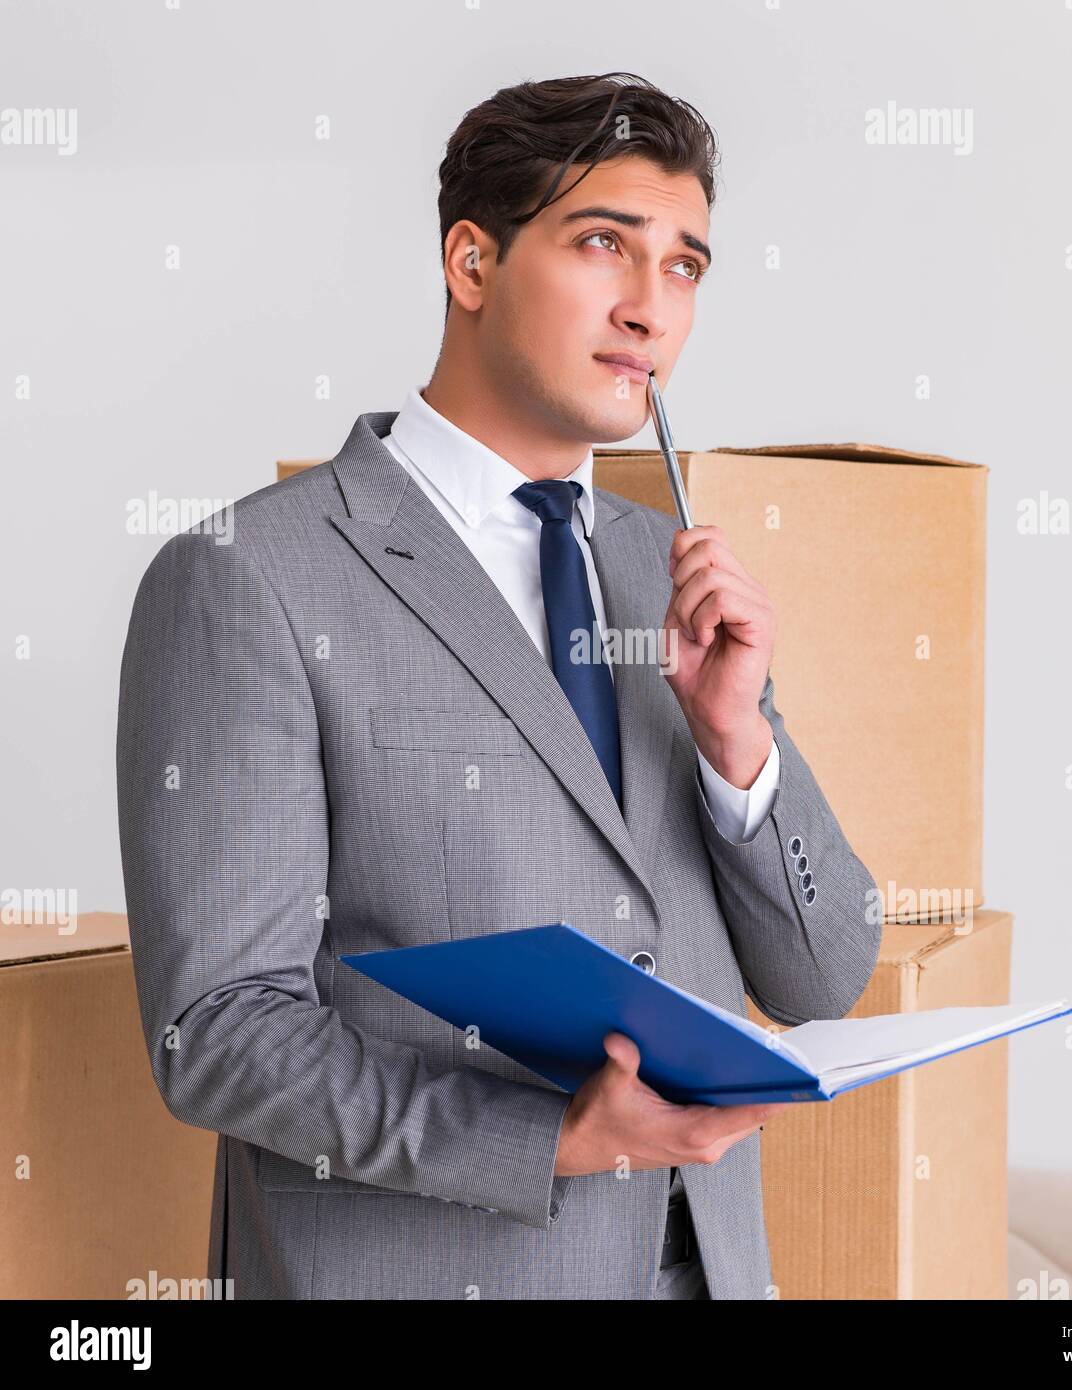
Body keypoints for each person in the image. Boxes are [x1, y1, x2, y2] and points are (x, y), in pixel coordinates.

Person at [116, 70, 881, 1301]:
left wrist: (738, 744)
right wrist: (550, 1139)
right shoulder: (250, 577)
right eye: (603, 246)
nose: (651, 309)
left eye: (684, 267)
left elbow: (822, 975)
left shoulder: (665, 571)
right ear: (471, 264)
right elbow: (215, 1031)